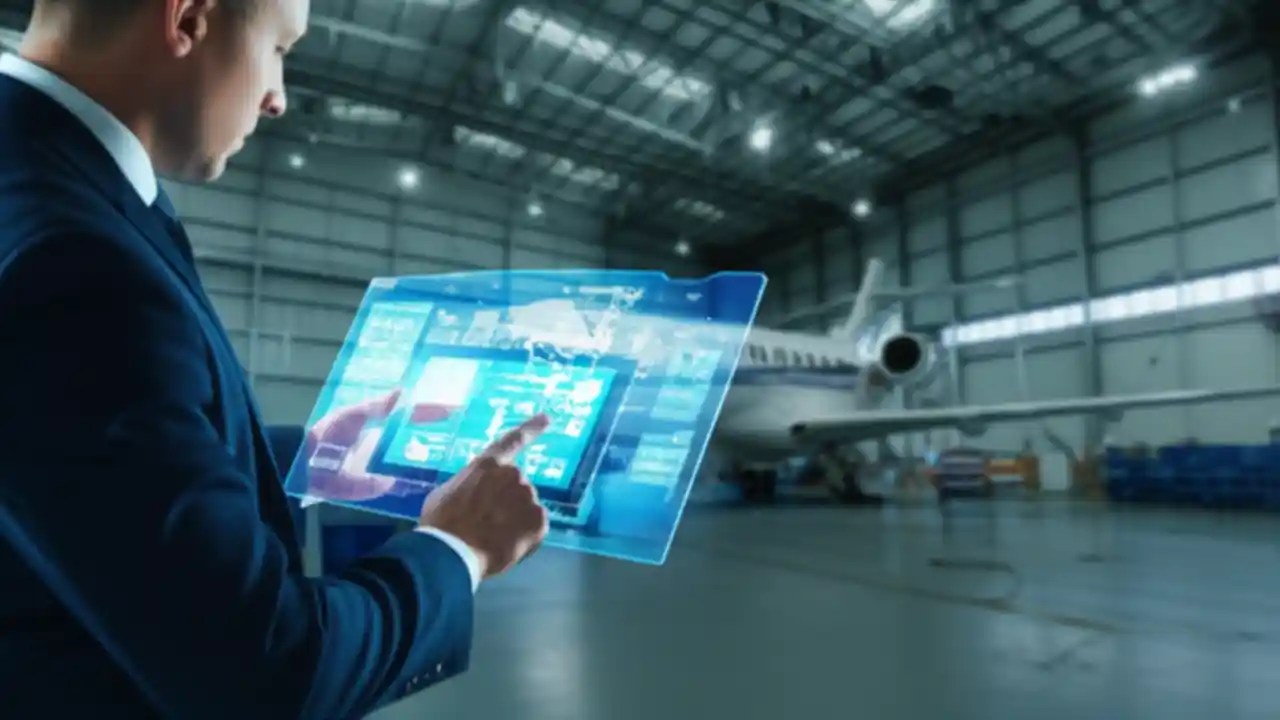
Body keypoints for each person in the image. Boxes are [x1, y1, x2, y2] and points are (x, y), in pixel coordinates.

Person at [0, 1, 550, 717]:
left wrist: (307, 459)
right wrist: (458, 549)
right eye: (280, 47)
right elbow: (269, 672)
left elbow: (79, 472)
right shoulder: (75, 257)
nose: (277, 97)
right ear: (189, 18)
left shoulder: (39, 180)